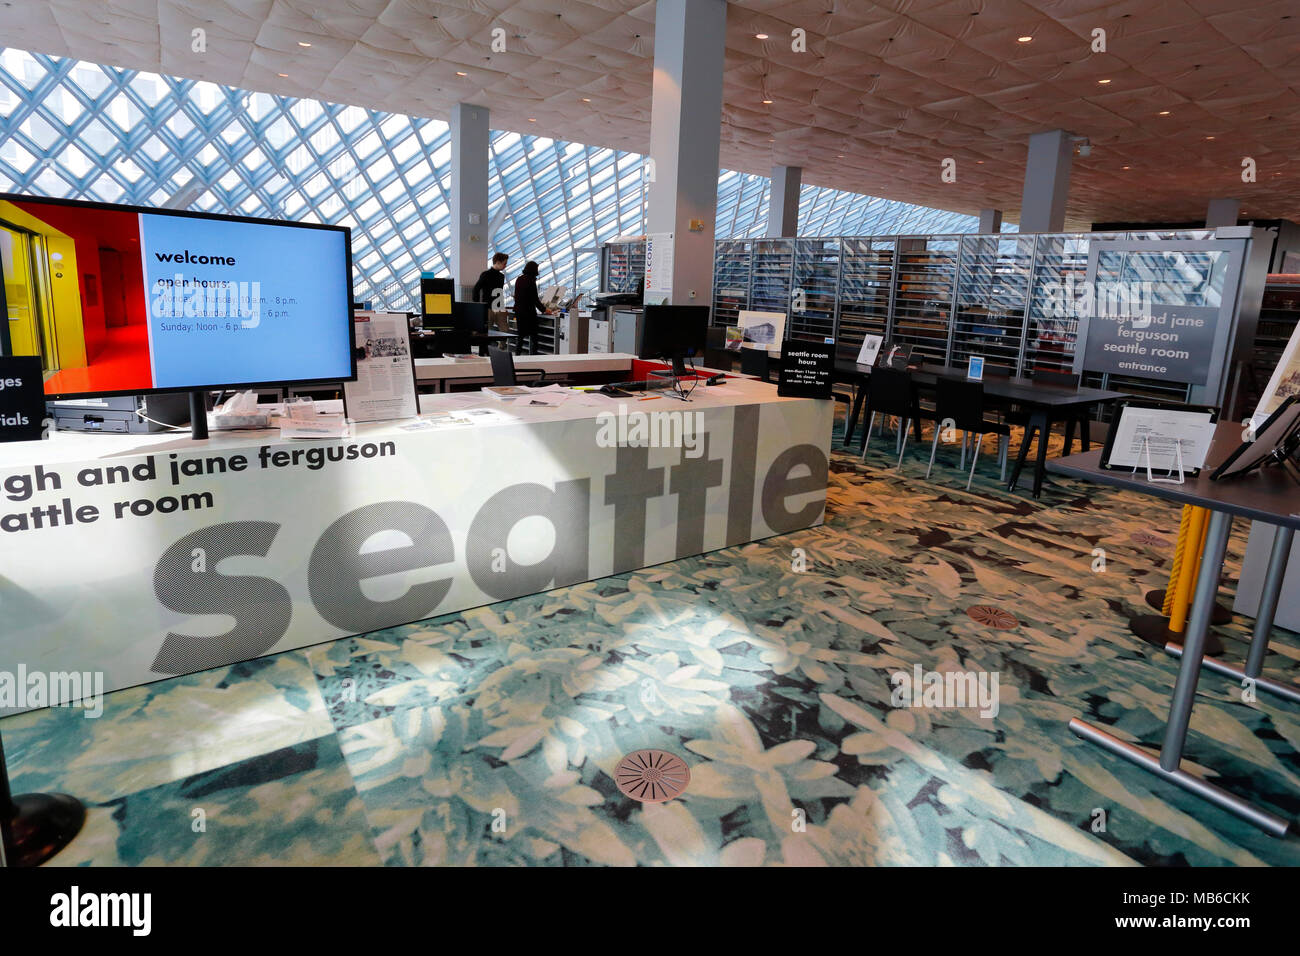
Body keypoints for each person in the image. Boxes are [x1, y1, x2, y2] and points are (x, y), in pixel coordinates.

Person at [512, 260, 552, 355]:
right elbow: (535, 299)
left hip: (519, 311)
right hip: (528, 313)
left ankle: (517, 356)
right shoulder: (531, 281)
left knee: (520, 336)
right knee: (534, 337)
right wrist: (545, 310)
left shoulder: (519, 279)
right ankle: (534, 357)